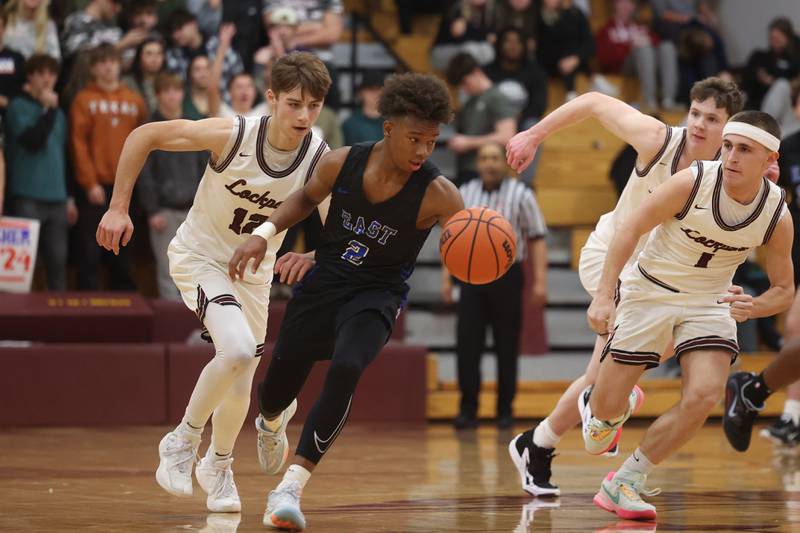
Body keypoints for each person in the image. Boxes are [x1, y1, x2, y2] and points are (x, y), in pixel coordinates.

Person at [95, 51, 332, 513]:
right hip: (200, 256)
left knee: (241, 373)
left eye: (314, 105)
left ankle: (218, 465)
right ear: (271, 99)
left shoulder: (318, 159)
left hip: (254, 275)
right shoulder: (234, 133)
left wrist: (311, 253)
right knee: (239, 351)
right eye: (294, 103)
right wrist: (118, 207)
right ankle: (181, 440)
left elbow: (342, 232)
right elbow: (144, 135)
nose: (304, 115)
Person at [227, 72, 461, 531]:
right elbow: (303, 199)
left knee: (348, 366)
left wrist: (483, 263)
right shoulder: (341, 163)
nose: (422, 152)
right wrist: (264, 236)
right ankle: (272, 420)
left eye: (432, 143)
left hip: (378, 294)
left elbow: (469, 240)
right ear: (389, 127)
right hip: (325, 282)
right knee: (272, 394)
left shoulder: (439, 193)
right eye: (415, 139)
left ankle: (291, 487)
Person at [505, 77, 747, 498]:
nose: (700, 125)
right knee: (609, 376)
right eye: (695, 113)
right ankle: (591, 412)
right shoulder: (657, 139)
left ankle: (539, 442)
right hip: (614, 261)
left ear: (728, 128)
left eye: (712, 119)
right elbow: (597, 101)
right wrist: (533, 134)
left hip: (665, 281)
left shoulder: (729, 171)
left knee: (606, 372)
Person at [580, 111, 793, 519]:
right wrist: (604, 295)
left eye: (743, 149)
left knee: (704, 394)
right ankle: (609, 407)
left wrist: (756, 305)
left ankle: (625, 481)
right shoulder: (692, 181)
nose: (730, 156)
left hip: (709, 301)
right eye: (727, 145)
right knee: (600, 421)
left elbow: (784, 289)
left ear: (769, 159)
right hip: (650, 290)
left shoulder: (776, 215)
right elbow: (628, 231)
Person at [443, 142, 547, 430]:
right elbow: (450, 240)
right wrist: (447, 281)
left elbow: (537, 238)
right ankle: (467, 410)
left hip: (509, 277)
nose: (489, 163)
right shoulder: (465, 193)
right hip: (470, 277)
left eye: (494, 158)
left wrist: (540, 282)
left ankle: (505, 411)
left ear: (505, 162)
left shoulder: (522, 194)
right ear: (477, 163)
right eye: (484, 158)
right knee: (467, 347)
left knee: (506, 347)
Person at [726, 83, 800, 450]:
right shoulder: (788, 150)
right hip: (794, 251)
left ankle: (756, 390)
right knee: (796, 334)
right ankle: (761, 394)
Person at [70, 44, 148, 291]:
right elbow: (77, 144)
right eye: (102, 62)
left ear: (120, 65)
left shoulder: (135, 100)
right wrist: (89, 183)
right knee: (90, 250)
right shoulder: (84, 100)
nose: (108, 66)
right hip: (95, 186)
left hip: (126, 185)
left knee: (124, 249)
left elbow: (145, 141)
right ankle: (86, 308)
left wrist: (137, 181)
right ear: (93, 68)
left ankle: (126, 309)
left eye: (113, 61)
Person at [136, 72, 208, 300]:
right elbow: (144, 173)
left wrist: (206, 208)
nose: (172, 96)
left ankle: (195, 325)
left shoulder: (194, 125)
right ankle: (172, 326)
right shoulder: (149, 128)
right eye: (166, 91)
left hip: (193, 211)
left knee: (196, 270)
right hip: (164, 211)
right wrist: (153, 209)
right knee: (168, 271)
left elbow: (207, 169)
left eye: (176, 90)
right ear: (157, 95)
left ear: (182, 93)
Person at [5, 54, 71, 290]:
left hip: (57, 198)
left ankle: (61, 321)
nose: (46, 79)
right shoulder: (17, 107)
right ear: (29, 76)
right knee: (23, 267)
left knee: (57, 263)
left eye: (51, 74)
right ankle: (19, 321)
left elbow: (65, 156)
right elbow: (33, 141)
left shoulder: (60, 114)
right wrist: (48, 109)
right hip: (27, 195)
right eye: (40, 73)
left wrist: (70, 196)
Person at [483, 27, 547, 185]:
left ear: (524, 46)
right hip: (493, 124)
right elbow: (483, 101)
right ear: (499, 45)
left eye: (517, 42)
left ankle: (525, 185)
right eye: (508, 41)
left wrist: (515, 118)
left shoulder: (535, 72)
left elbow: (539, 105)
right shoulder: (487, 71)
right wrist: (503, 119)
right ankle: (478, 183)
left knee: (535, 126)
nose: (512, 46)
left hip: (523, 126)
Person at [445, 52, 517, 185]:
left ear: (477, 72)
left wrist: (468, 143)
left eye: (465, 82)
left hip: (485, 172)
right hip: (465, 170)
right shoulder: (469, 102)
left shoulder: (497, 97)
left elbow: (507, 136)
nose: (464, 88)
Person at [536, 0, 618, 102]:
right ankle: (592, 77)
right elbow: (547, 46)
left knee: (572, 49)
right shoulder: (537, 15)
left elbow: (590, 43)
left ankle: (571, 92)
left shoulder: (574, 13)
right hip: (548, 61)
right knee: (566, 49)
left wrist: (576, 58)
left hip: (571, 61)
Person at [595, 0, 669, 111]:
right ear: (614, 5)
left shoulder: (640, 28)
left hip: (645, 65)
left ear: (634, 6)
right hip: (621, 68)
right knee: (643, 48)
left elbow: (657, 44)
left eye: (630, 2)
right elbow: (605, 59)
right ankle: (649, 100)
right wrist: (630, 46)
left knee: (667, 47)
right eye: (621, 1)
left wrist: (644, 43)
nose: (626, 5)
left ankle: (669, 99)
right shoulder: (607, 30)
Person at [166, 8, 243, 103]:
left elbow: (238, 71)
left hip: (225, 102)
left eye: (179, 28)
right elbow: (177, 85)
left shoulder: (218, 44)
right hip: (191, 106)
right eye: (173, 32)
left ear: (193, 23)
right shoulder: (174, 55)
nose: (176, 35)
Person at [122, 37, 166, 114]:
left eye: (159, 53)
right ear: (139, 57)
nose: (155, 59)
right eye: (149, 54)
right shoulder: (127, 83)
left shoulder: (169, 81)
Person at [342, 70, 384, 145]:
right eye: (371, 90)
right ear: (361, 92)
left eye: (379, 90)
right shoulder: (350, 124)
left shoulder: (393, 122)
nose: (375, 94)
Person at [0, 12, 26, 116]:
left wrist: (8, 102)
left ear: (4, 29)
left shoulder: (17, 58)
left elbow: (24, 89)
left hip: (11, 117)